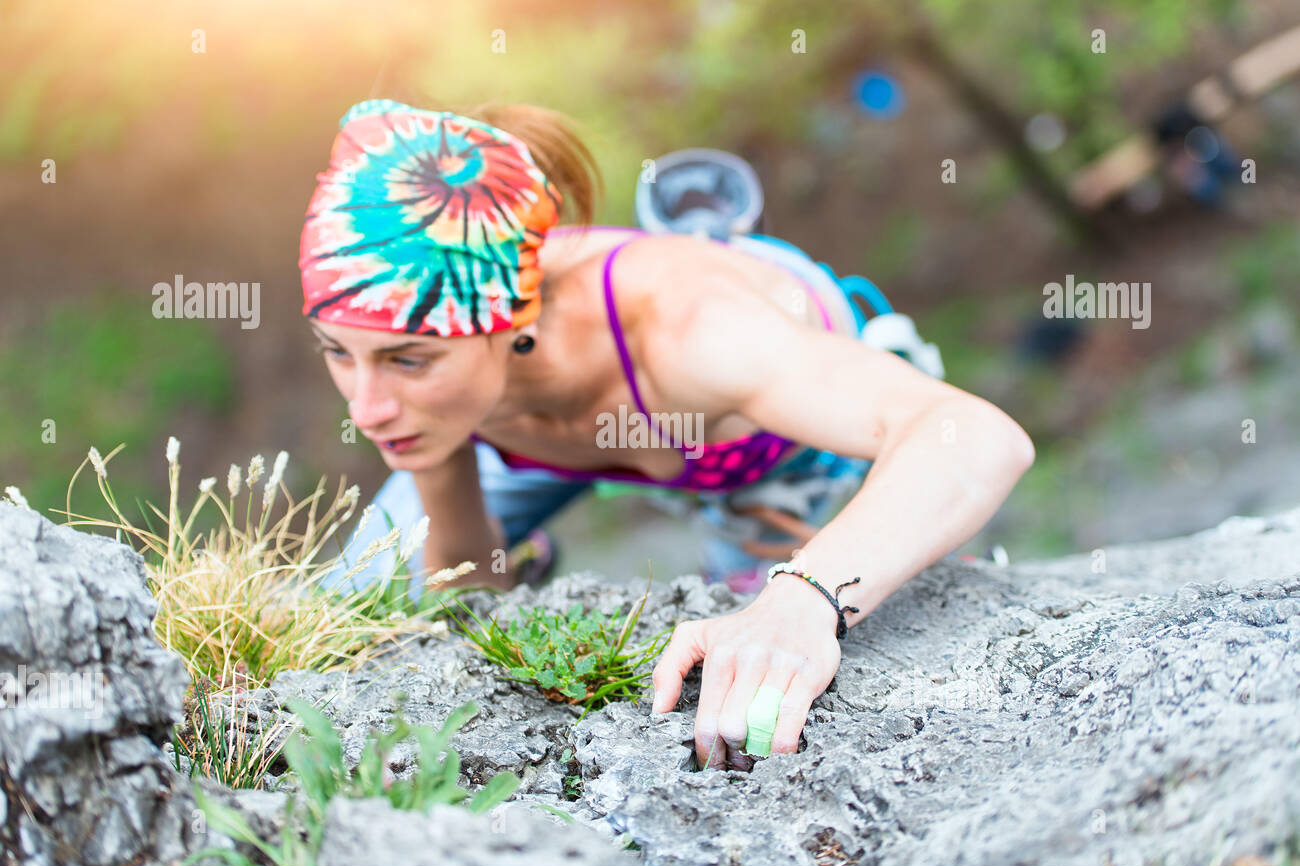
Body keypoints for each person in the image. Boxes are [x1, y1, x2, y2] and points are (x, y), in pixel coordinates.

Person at [301, 98, 1035, 770]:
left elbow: (972, 434)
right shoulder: (430, 381)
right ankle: (534, 543)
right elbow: (464, 583)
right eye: (337, 353)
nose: (365, 408)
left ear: (511, 320)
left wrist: (803, 596)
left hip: (766, 447)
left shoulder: (694, 328)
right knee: (357, 596)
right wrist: (451, 490)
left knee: (794, 647)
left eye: (408, 360)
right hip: (531, 414)